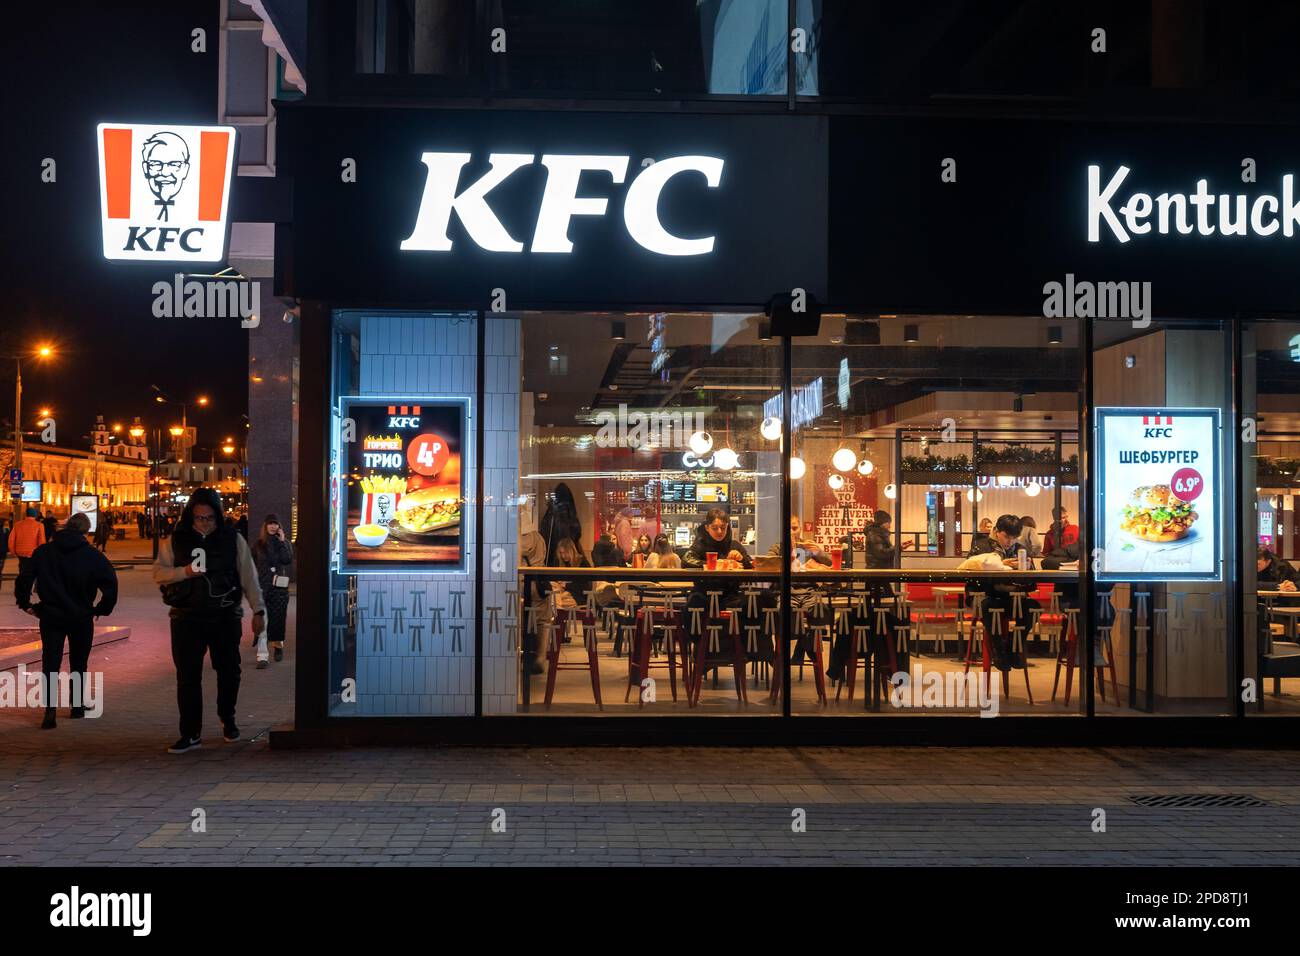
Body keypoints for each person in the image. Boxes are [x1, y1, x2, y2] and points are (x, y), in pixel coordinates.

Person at [152, 487, 265, 753]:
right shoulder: (176, 540)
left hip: (224, 616)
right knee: (187, 677)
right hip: (186, 617)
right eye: (199, 518)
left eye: (210, 518)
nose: (204, 523)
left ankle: (228, 717)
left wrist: (259, 611)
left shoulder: (232, 539)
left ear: (219, 516)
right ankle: (190, 733)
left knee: (229, 671)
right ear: (190, 516)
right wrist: (184, 572)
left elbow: (249, 576)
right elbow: (159, 572)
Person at [15, 513, 118, 729]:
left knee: (50, 661)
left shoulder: (44, 552)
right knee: (79, 662)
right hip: (81, 616)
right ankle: (77, 706)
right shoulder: (92, 555)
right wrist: (102, 609)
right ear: (85, 531)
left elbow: (24, 577)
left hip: (51, 615)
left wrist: (25, 603)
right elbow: (110, 583)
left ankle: (50, 711)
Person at [966, 514, 1034, 671]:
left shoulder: (1020, 549)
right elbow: (969, 571)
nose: (1010, 542)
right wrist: (999, 565)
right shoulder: (981, 546)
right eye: (1006, 537)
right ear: (996, 531)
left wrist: (1027, 568)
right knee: (990, 607)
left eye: (1014, 537)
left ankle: (1013, 647)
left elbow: (1032, 584)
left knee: (1032, 607)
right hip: (984, 594)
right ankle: (998, 651)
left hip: (1012, 597)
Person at [251, 514, 293, 668]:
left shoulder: (284, 543)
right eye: (270, 524)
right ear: (265, 526)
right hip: (262, 588)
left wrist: (282, 542)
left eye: (276, 524)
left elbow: (287, 559)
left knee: (278, 619)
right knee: (263, 621)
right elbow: (251, 564)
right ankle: (262, 656)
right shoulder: (258, 545)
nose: (273, 527)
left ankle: (278, 646)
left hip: (279, 589)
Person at [539, 483, 582, 565]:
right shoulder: (568, 512)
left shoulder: (550, 513)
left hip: (552, 553)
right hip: (567, 553)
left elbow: (544, 532)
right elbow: (576, 533)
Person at [11, 507, 46, 579]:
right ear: (35, 515)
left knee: (22, 567)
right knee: (31, 571)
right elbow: (41, 540)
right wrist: (42, 553)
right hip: (33, 552)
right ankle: (27, 586)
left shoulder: (17, 524)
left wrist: (13, 551)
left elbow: (11, 539)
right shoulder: (39, 525)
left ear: (25, 515)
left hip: (20, 551)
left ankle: (21, 582)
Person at [0, 519, 9, 593]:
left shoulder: (5, 531)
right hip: (3, 552)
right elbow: (8, 540)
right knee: (0, 568)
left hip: (3, 551)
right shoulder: (5, 531)